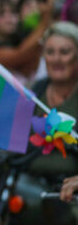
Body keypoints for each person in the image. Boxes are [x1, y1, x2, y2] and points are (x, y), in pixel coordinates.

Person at [29, 21, 78, 178]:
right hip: (25, 188)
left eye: (64, 52)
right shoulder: (34, 91)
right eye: (50, 52)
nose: (56, 59)